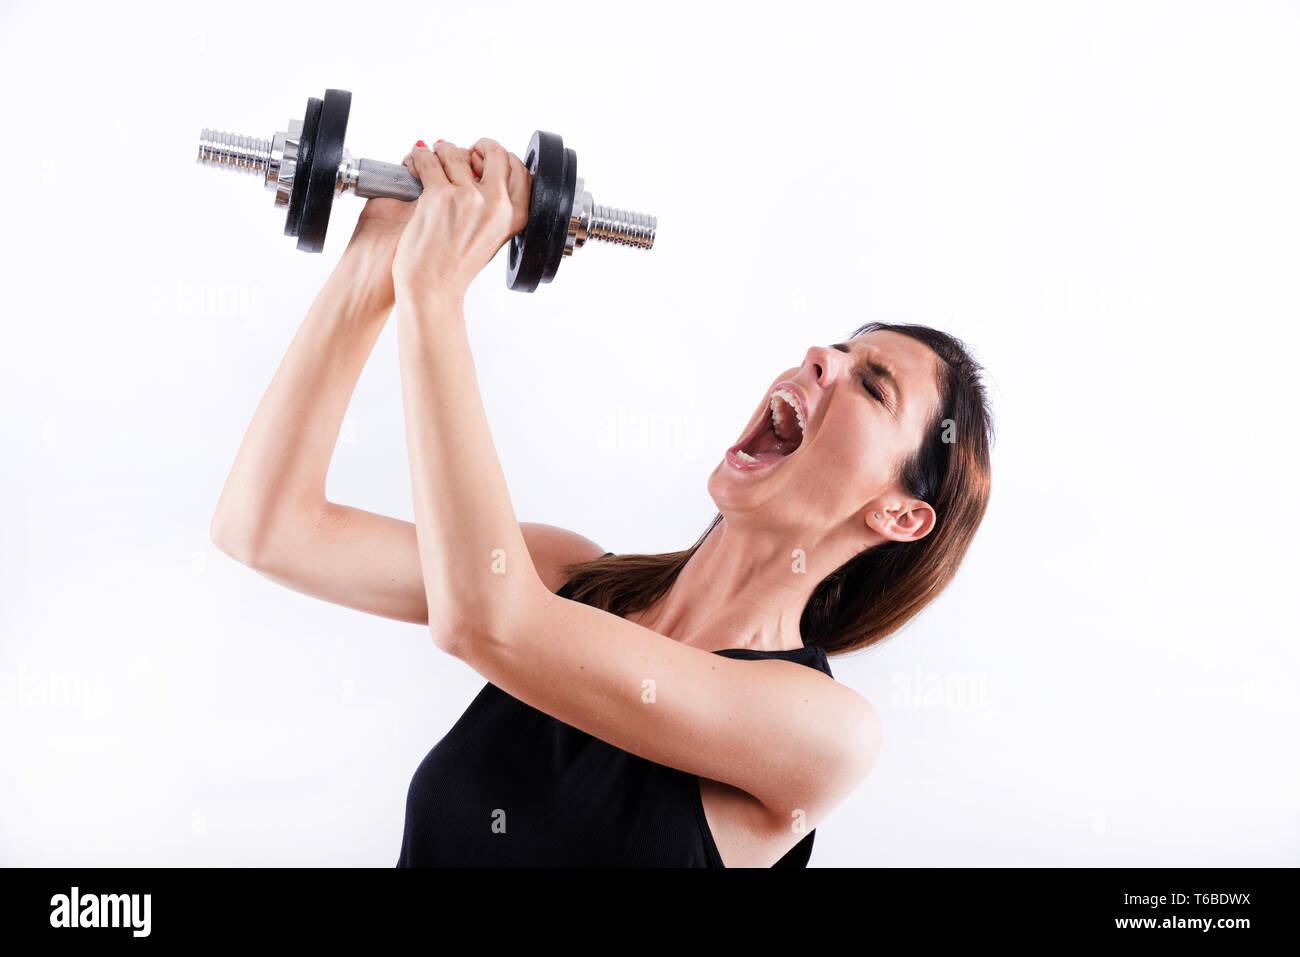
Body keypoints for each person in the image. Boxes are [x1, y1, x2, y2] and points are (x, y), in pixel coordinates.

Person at [210, 138, 994, 867]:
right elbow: (268, 527)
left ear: (900, 514)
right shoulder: (566, 574)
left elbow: (487, 620)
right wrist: (378, 256)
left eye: (871, 385)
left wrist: (435, 292)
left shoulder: (825, 733)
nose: (823, 357)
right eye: (840, 348)